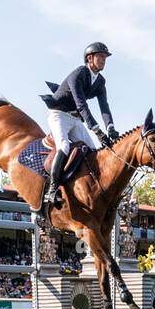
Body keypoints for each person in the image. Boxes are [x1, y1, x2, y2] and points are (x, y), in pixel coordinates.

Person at [38, 41, 119, 208]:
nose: (104, 60)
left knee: (94, 151)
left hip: (75, 118)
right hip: (58, 114)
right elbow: (82, 104)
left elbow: (104, 106)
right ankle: (52, 190)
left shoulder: (100, 81)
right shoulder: (78, 74)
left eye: (105, 57)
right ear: (89, 58)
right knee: (64, 147)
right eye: (101, 56)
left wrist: (110, 127)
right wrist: (97, 130)